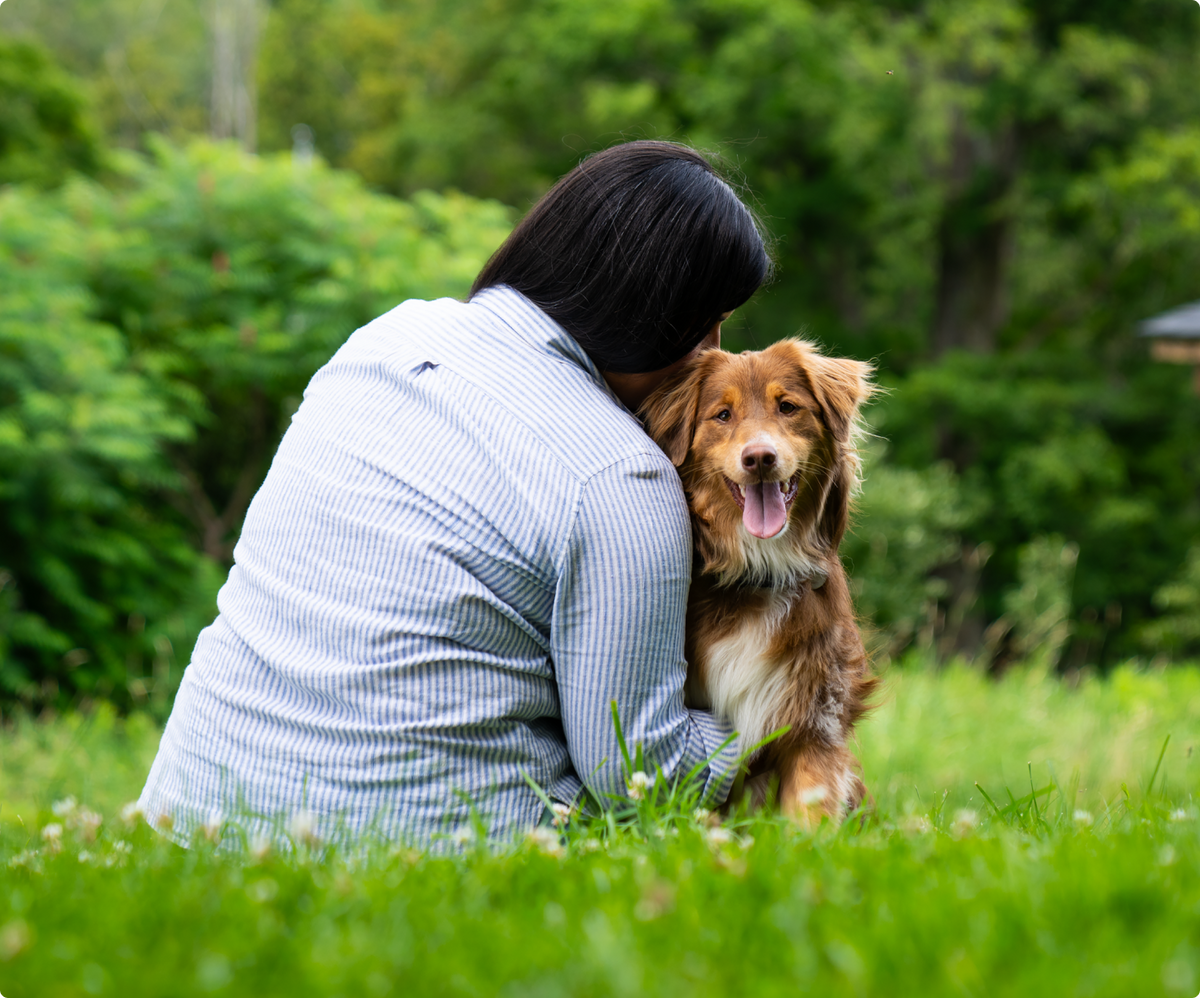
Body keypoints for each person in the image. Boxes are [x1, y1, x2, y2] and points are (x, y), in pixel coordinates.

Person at [138, 140, 773, 846]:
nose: (716, 354)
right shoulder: (618, 474)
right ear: (642, 310)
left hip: (186, 826)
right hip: (414, 866)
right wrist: (783, 728)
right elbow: (637, 772)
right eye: (703, 323)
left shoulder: (382, 341)